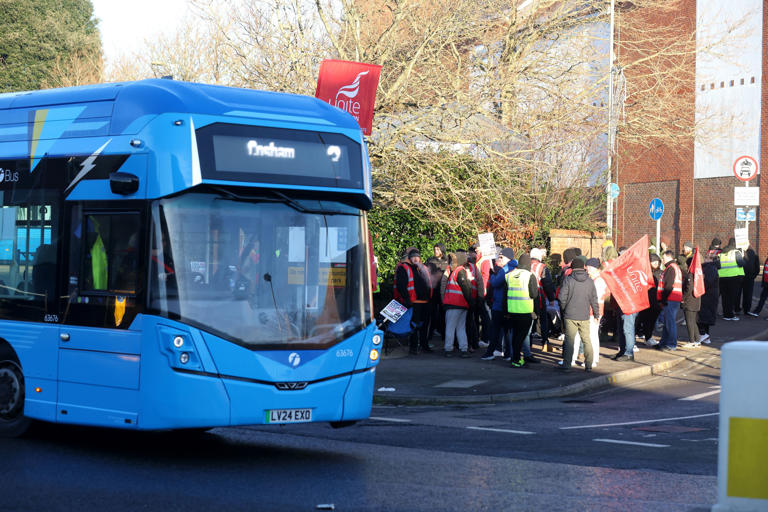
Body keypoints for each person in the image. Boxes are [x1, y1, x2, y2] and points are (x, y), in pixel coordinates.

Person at [557, 256, 599, 372]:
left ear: (573, 267)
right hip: (584, 315)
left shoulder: (568, 280)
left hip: (570, 315)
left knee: (570, 340)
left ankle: (567, 365)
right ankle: (589, 365)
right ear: (583, 267)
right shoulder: (590, 281)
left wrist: (564, 309)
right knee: (586, 340)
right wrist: (596, 314)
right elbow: (594, 299)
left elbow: (561, 297)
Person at [481, 248, 517, 360]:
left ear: (508, 258)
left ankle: (490, 352)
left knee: (495, 330)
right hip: (510, 305)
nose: (499, 259)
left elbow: (495, 283)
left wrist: (492, 275)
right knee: (507, 331)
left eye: (501, 257)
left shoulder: (504, 269)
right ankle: (508, 354)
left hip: (499, 304)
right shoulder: (516, 268)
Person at [504, 253, 538, 367]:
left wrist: (505, 312)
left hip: (512, 311)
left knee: (515, 336)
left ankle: (515, 358)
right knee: (521, 337)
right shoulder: (529, 275)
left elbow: (505, 295)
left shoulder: (509, 275)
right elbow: (534, 294)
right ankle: (517, 360)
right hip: (525, 311)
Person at [397, 248, 432, 355]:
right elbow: (401, 285)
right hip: (414, 302)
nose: (416, 258)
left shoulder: (423, 268)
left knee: (424, 326)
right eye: (413, 257)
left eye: (417, 256)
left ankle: (424, 345)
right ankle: (413, 347)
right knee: (414, 326)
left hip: (425, 302)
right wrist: (407, 299)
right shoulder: (404, 268)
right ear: (409, 258)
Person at [441, 250, 474, 358]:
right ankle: (464, 349)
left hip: (453, 304)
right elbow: (466, 287)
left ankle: (448, 349)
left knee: (450, 328)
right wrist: (471, 302)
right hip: (462, 304)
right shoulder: (461, 271)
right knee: (461, 328)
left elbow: (464, 287)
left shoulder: (456, 271)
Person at [530, 247, 555, 350]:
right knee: (543, 321)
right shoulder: (542, 267)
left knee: (530, 321)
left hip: (527, 297)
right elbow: (547, 283)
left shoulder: (525, 265)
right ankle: (545, 343)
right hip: (539, 297)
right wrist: (551, 298)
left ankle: (528, 344)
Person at [657, 250, 683, 351]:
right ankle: (664, 343)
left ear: (669, 257)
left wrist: (663, 299)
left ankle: (671, 344)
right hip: (674, 298)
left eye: (663, 258)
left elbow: (668, 286)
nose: (662, 260)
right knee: (668, 322)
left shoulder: (670, 268)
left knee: (670, 322)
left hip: (670, 299)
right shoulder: (674, 267)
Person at [637, 253, 663, 346]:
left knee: (651, 322)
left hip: (657, 302)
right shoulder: (646, 272)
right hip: (646, 301)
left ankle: (648, 337)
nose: (655, 263)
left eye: (657, 261)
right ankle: (642, 337)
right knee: (642, 320)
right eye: (653, 261)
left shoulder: (661, 273)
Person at [717, 238, 744, 321]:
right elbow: (741, 264)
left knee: (725, 297)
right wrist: (742, 256)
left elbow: (718, 265)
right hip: (734, 277)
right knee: (732, 297)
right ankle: (730, 315)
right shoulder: (736, 252)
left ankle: (726, 314)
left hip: (722, 277)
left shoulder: (721, 253)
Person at [426, 243, 448, 339]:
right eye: (435, 249)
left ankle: (443, 333)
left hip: (444, 290)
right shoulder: (430, 261)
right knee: (432, 312)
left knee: (444, 313)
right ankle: (430, 334)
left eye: (438, 249)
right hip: (433, 290)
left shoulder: (447, 261)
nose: (436, 251)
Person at [697, 252, 719, 343]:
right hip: (709, 296)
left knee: (702, 317)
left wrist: (699, 287)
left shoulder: (709, 268)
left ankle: (703, 335)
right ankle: (706, 337)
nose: (705, 259)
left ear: (711, 259)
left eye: (707, 257)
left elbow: (707, 282)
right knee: (705, 318)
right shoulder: (710, 268)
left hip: (707, 296)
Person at [681, 254, 701, 347]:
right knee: (693, 322)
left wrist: (682, 298)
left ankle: (692, 341)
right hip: (696, 301)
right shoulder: (697, 274)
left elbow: (688, 289)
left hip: (689, 302)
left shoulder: (690, 275)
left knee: (689, 322)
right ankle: (697, 340)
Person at [736, 243, 759, 315]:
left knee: (738, 293)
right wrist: (753, 276)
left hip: (740, 276)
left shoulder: (738, 252)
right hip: (749, 277)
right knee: (748, 294)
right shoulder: (754, 254)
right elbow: (757, 268)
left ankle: (736, 308)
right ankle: (746, 309)